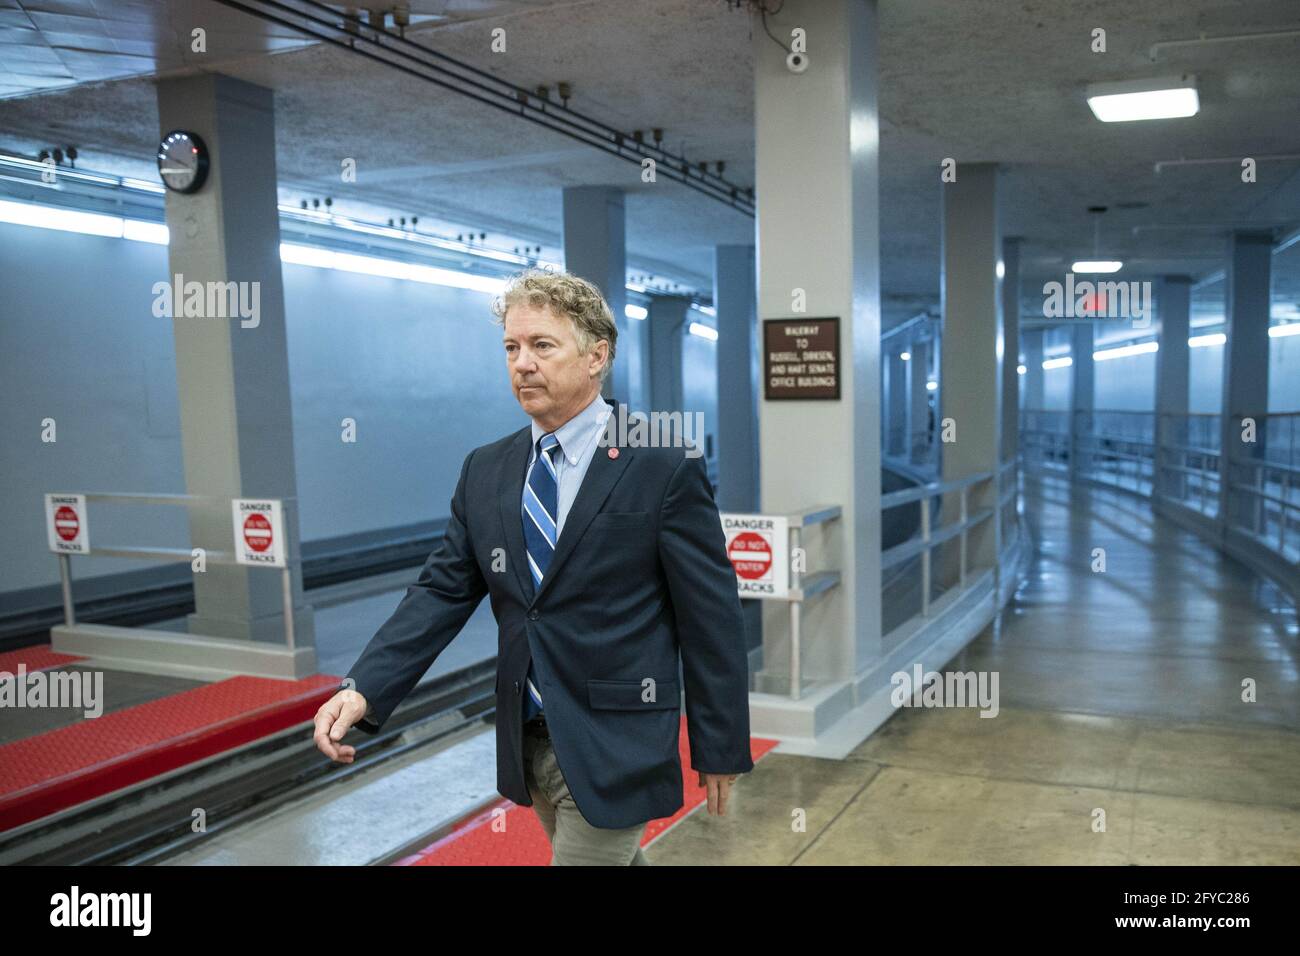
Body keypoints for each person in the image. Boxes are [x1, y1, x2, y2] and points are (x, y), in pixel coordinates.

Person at [313, 268, 753, 865]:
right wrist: (364, 687)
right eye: (512, 348)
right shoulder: (486, 470)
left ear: (597, 356)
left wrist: (719, 743)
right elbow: (441, 590)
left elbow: (710, 617)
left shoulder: (660, 463)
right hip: (528, 737)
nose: (522, 363)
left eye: (542, 346)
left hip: (617, 741)